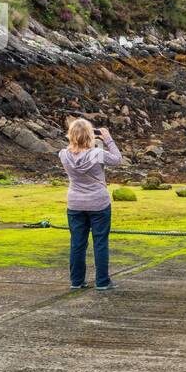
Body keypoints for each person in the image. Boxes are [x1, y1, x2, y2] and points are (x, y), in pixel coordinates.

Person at [59, 118, 122, 290]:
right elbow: (117, 159)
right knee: (100, 242)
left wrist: (96, 145)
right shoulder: (98, 154)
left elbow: (85, 155)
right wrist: (107, 139)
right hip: (98, 203)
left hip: (75, 204)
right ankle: (102, 281)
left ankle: (76, 281)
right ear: (89, 135)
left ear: (70, 135)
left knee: (77, 243)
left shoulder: (63, 155)